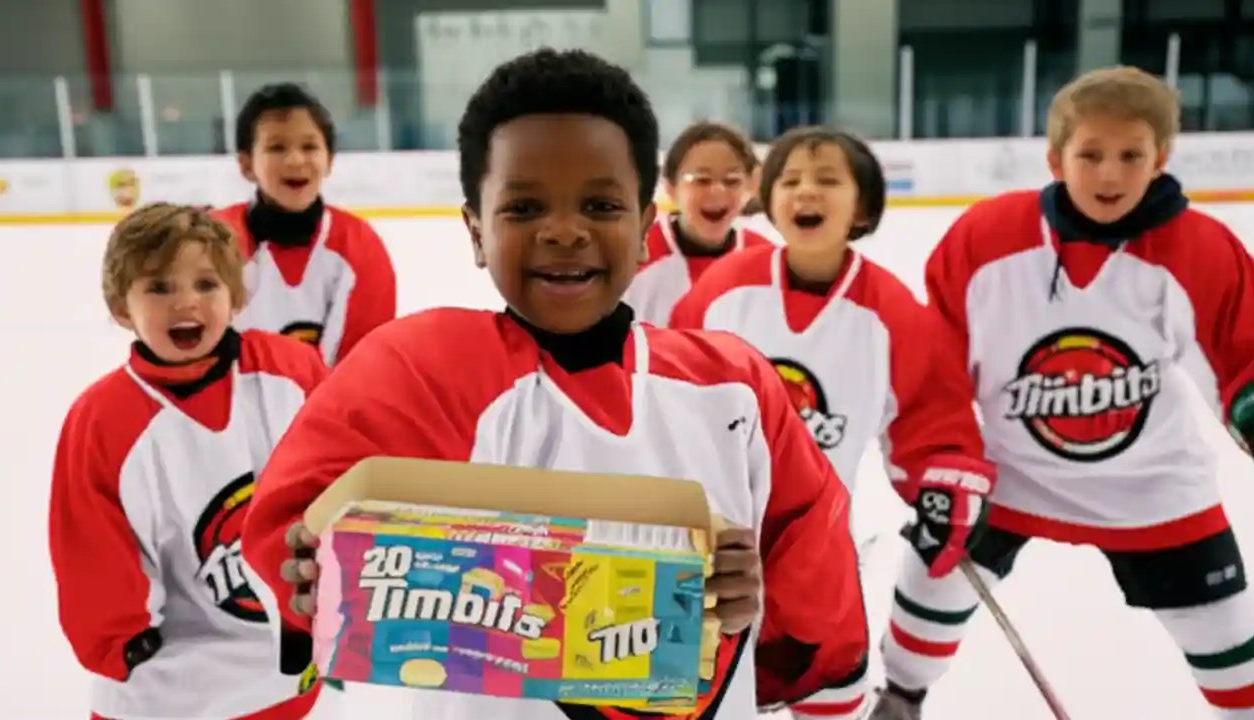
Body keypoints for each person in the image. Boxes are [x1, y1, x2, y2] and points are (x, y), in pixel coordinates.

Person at [240, 48, 870, 720]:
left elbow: (811, 572)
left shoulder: (737, 388)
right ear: (475, 230)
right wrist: (313, 574)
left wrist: (758, 596)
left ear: (644, 228)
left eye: (600, 204)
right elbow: (291, 529)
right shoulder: (418, 372)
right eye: (523, 207)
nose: (565, 231)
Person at [870, 65, 1254, 719]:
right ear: (1055, 159)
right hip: (1008, 473)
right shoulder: (987, 237)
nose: (1110, 174)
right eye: (1091, 155)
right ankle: (901, 696)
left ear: (1161, 158)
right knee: (931, 573)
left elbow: (1244, 353)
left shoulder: (1199, 249)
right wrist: (942, 462)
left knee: (1233, 648)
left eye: (1131, 155)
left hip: (1152, 486)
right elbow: (933, 362)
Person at [669, 126, 996, 718]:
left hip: (818, 553)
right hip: (716, 543)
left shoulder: (892, 313)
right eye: (789, 180)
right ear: (767, 200)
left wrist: (943, 479)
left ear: (863, 206)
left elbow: (933, 419)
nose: (804, 192)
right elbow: (669, 398)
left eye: (826, 180)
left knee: (830, 694)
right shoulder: (724, 291)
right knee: (703, 695)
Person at [47, 203, 334, 719]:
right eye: (159, 288)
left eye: (206, 284)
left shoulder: (290, 371)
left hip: (280, 671)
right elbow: (89, 544)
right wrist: (123, 646)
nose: (186, 303)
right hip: (169, 685)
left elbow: (338, 478)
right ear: (120, 307)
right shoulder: (101, 419)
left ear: (236, 297)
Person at [213, 82, 397, 366]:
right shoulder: (213, 241)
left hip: (328, 408)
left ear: (330, 160)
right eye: (276, 147)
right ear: (247, 165)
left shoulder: (359, 246)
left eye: (310, 146)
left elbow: (363, 363)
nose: (295, 159)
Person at [623, 120, 772, 326]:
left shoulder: (766, 259)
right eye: (701, 180)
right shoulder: (634, 258)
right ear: (671, 187)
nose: (717, 190)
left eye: (731, 180)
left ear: (751, 186)